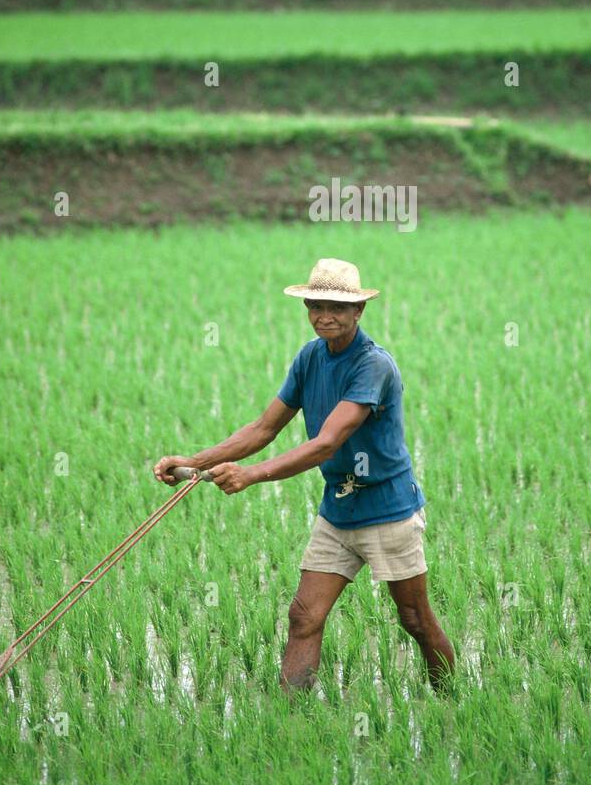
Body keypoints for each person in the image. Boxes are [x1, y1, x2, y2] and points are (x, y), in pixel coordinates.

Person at [154, 257, 455, 696]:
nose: (324, 317)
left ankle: (451, 700)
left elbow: (326, 443)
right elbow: (264, 428)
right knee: (304, 616)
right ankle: (291, 716)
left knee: (415, 620)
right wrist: (194, 463)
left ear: (359, 312)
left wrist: (252, 475)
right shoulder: (310, 358)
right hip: (339, 510)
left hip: (388, 510)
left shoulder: (373, 366)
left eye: (336, 308)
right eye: (315, 306)